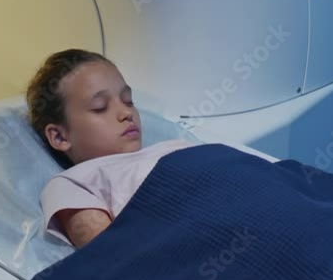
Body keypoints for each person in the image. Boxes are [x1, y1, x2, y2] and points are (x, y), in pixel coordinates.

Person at [27, 49, 275, 248]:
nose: (126, 113)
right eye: (100, 107)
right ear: (59, 136)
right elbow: (111, 256)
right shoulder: (73, 182)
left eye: (128, 101)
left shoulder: (173, 148)